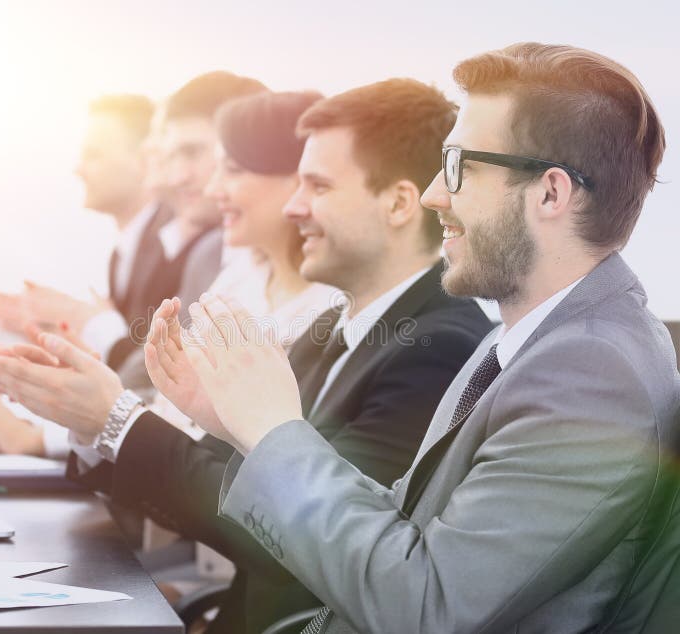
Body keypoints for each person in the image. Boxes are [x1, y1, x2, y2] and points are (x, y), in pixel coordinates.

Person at [139, 43, 678, 633]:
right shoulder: (529, 339)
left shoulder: (591, 373)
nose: (432, 194)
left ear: (551, 193)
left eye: (458, 166)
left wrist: (276, 432)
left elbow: (426, 607)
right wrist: (242, 425)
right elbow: (404, 524)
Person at [0, 79, 493, 632]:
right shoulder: (332, 325)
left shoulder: (437, 348)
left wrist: (115, 420)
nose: (295, 207)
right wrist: (125, 420)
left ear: (397, 204)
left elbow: (299, 542)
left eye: (317, 186)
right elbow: (225, 479)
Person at [0, 73, 267, 456]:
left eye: (94, 154)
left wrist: (92, 331)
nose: (173, 172)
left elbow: (159, 390)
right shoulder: (184, 252)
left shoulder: (201, 249)